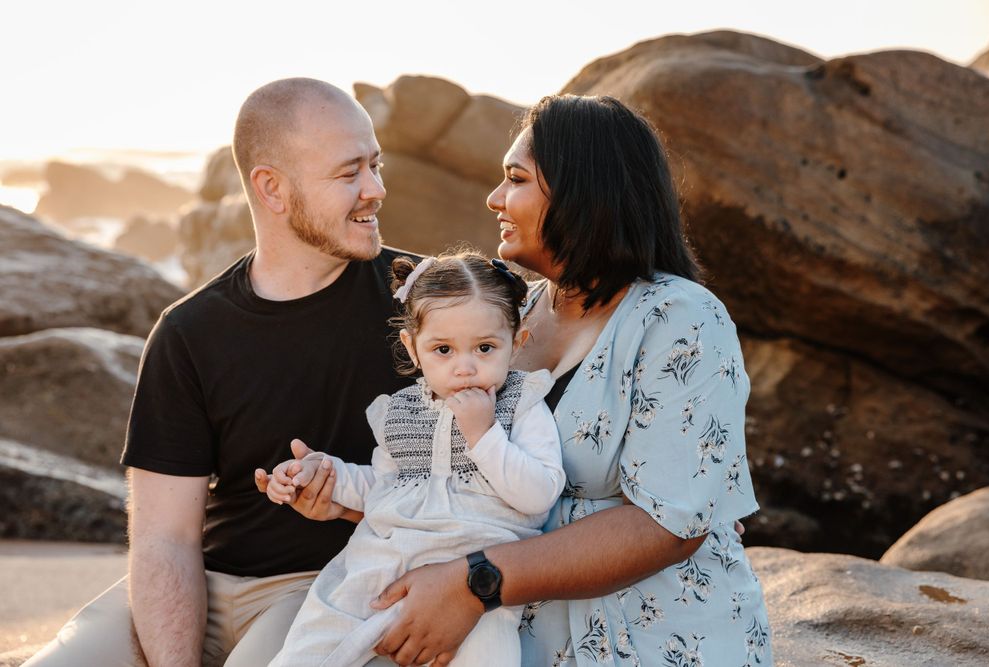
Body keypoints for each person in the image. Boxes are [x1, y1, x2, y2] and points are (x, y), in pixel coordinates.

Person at [348, 95, 774, 666]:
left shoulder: (679, 318)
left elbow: (670, 526)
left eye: (516, 178)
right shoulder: (513, 320)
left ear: (583, 189)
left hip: (653, 640)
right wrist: (343, 492)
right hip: (516, 639)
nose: (494, 198)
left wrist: (472, 584)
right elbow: (455, 462)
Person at [24, 78, 416, 667]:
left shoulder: (426, 302)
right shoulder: (189, 331)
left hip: (323, 588)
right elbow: (164, 539)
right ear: (272, 189)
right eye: (350, 172)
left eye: (376, 164)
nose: (375, 189)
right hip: (196, 583)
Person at [264, 251, 565, 667]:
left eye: (484, 347)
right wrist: (323, 474)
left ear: (517, 344)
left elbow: (540, 494)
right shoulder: (401, 412)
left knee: (491, 655)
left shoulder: (521, 403)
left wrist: (484, 434)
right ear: (413, 347)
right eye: (443, 349)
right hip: (382, 560)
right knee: (309, 647)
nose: (465, 367)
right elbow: (384, 486)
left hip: (476, 580)